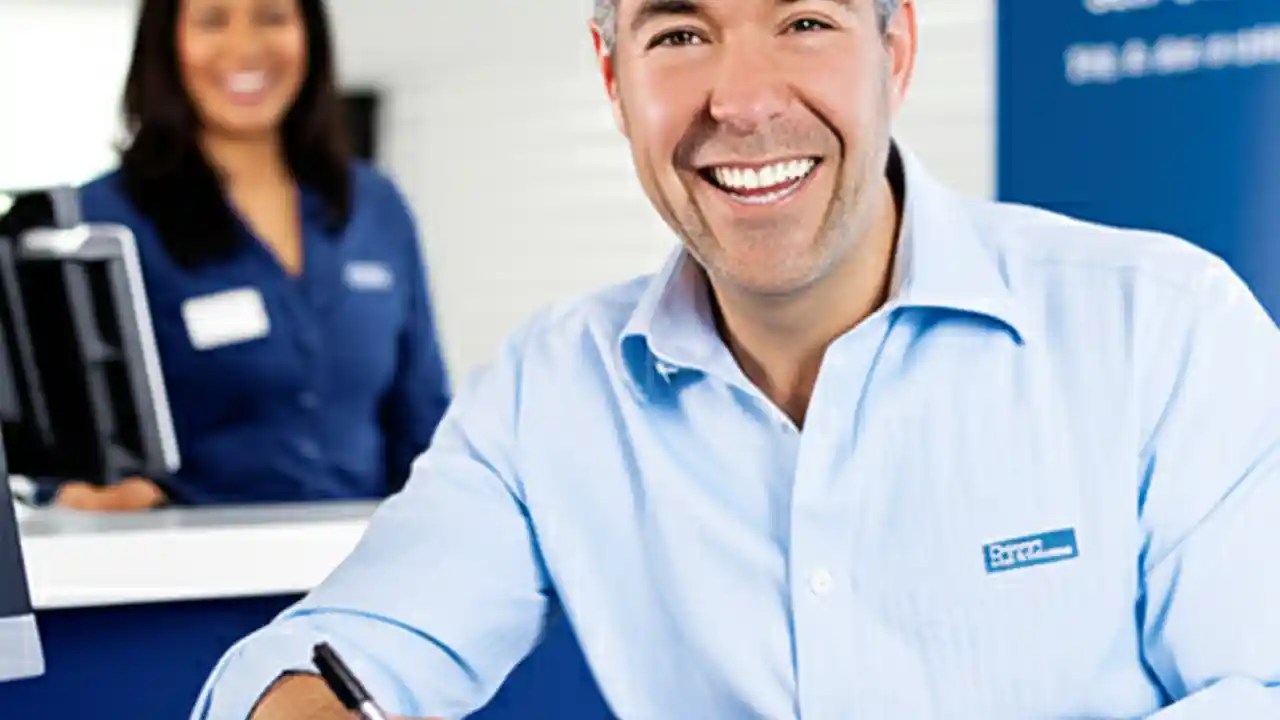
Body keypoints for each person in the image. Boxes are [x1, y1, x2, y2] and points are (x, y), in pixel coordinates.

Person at [194, 0, 1280, 717]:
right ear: (612, 76)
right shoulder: (549, 391)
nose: (744, 101)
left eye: (803, 21)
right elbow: (341, 647)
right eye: (679, 34)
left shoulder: (1160, 328)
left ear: (895, 51)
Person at [51, 0, 451, 509]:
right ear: (166, 43)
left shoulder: (375, 205)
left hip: (364, 551)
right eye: (212, 21)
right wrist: (82, 494)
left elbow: (423, 420)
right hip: (181, 552)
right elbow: (54, 446)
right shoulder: (97, 220)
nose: (245, 47)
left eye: (272, 17)